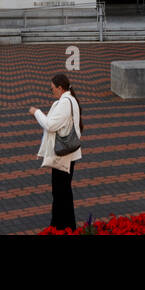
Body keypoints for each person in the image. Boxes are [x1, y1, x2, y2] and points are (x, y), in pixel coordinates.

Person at [28, 72, 83, 231]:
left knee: (61, 194)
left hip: (63, 155)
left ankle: (61, 227)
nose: (51, 91)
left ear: (60, 88)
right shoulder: (71, 100)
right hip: (68, 154)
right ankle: (63, 226)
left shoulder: (65, 103)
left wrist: (36, 112)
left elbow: (51, 125)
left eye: (52, 88)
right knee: (63, 192)